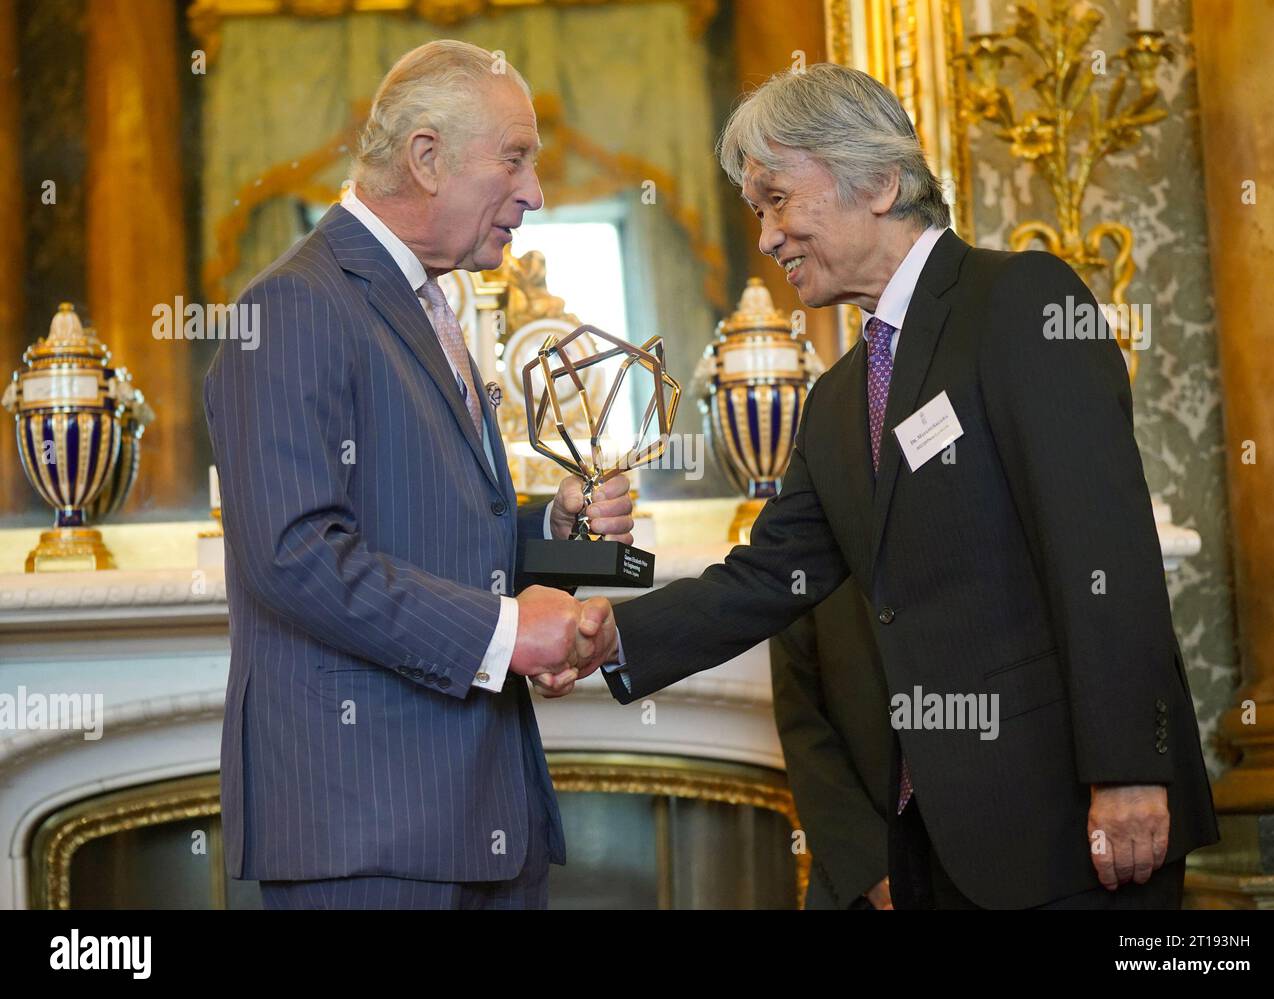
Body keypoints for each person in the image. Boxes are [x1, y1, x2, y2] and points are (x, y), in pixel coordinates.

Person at [590, 63, 1219, 909]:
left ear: (880, 182)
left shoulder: (1019, 302)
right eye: (755, 211)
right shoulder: (840, 394)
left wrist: (1130, 770)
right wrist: (605, 638)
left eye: (777, 200)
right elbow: (773, 576)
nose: (768, 237)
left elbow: (1102, 550)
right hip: (936, 849)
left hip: (1076, 829)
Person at [205, 39, 621, 910]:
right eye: (515, 158)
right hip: (371, 831)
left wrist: (553, 528)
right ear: (426, 158)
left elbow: (426, 522)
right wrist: (510, 635)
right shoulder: (292, 306)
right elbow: (297, 556)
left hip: (483, 819)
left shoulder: (429, 301)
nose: (536, 192)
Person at [770, 581, 893, 910]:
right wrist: (873, 872)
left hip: (993, 864)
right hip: (861, 880)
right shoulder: (805, 554)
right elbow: (802, 726)